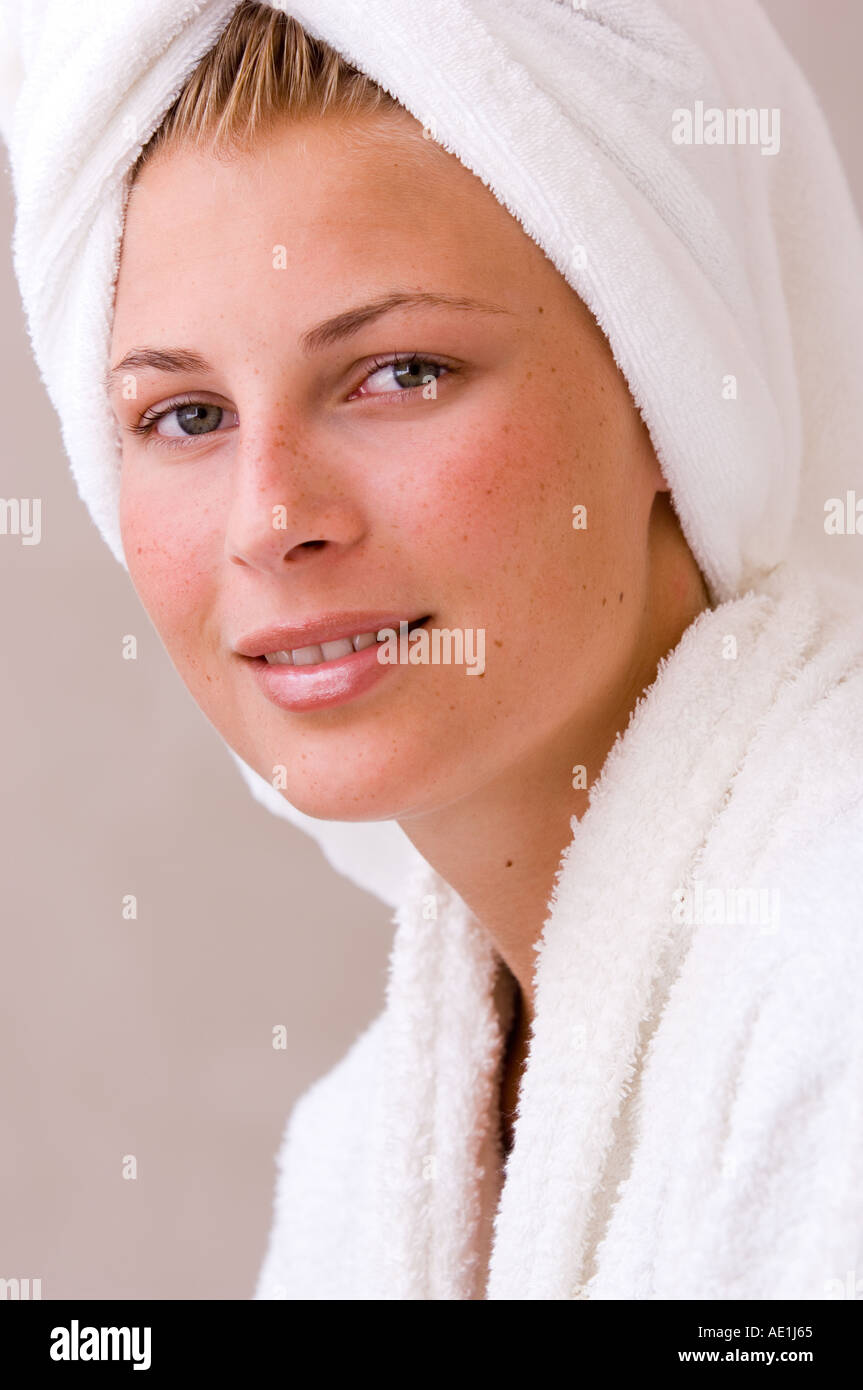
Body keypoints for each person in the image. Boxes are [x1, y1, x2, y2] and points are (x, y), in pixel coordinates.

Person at [2, 0, 862, 1300]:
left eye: (398, 373)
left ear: (667, 374)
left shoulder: (833, 990)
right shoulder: (364, 1148)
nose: (272, 518)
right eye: (185, 414)